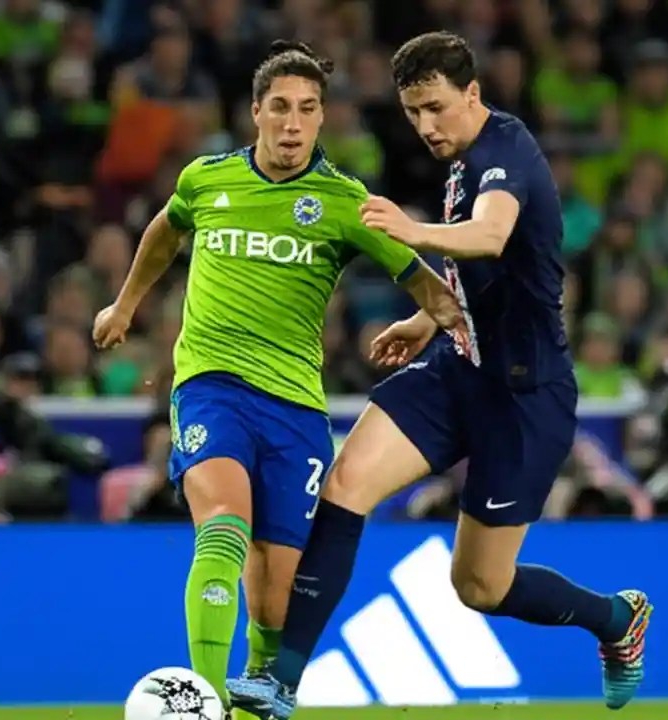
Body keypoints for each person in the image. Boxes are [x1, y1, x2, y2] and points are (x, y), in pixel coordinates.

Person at [227, 32, 652, 719]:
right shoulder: (459, 160)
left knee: (480, 586)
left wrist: (409, 230)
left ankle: (613, 620)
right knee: (344, 484)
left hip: (524, 395)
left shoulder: (506, 153)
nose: (425, 126)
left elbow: (490, 235)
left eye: (436, 108)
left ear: (473, 95)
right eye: (413, 113)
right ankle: (282, 683)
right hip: (457, 370)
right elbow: (485, 271)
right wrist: (429, 320)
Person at [93, 39, 460, 714]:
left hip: (295, 409)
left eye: (309, 109)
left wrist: (433, 322)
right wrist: (126, 303)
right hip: (211, 385)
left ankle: (257, 698)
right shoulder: (207, 181)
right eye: (282, 108)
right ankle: (199, 698)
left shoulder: (346, 203)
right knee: (224, 524)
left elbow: (432, 290)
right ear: (256, 112)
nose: (294, 123)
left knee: (276, 587)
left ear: (322, 119)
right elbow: (164, 233)